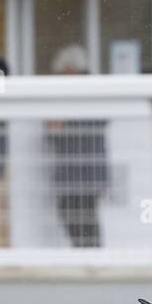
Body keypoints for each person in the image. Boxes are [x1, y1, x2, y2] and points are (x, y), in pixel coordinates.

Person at [45, 44, 108, 247]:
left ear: (70, 71)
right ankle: (87, 254)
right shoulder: (79, 92)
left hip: (85, 171)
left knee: (83, 215)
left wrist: (63, 124)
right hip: (74, 171)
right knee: (74, 213)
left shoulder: (89, 92)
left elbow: (96, 121)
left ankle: (91, 256)